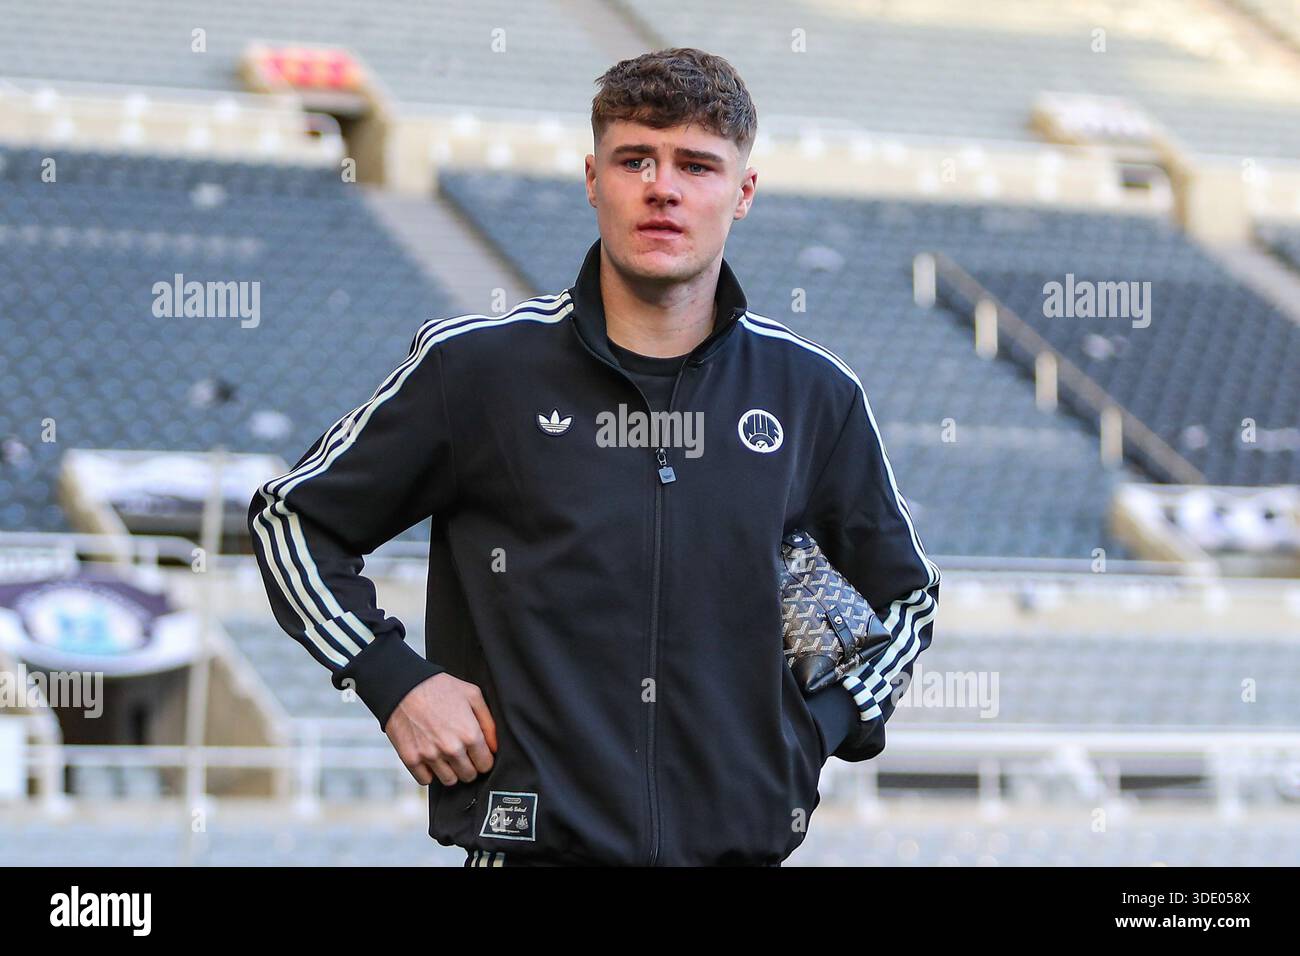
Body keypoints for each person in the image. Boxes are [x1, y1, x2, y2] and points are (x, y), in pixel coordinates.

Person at [248, 47, 940, 867]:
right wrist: (393, 678)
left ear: (742, 193)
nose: (663, 187)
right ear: (592, 178)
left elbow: (907, 602)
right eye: (634, 159)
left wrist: (808, 732)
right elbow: (292, 520)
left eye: (697, 165)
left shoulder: (812, 394)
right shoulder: (478, 371)